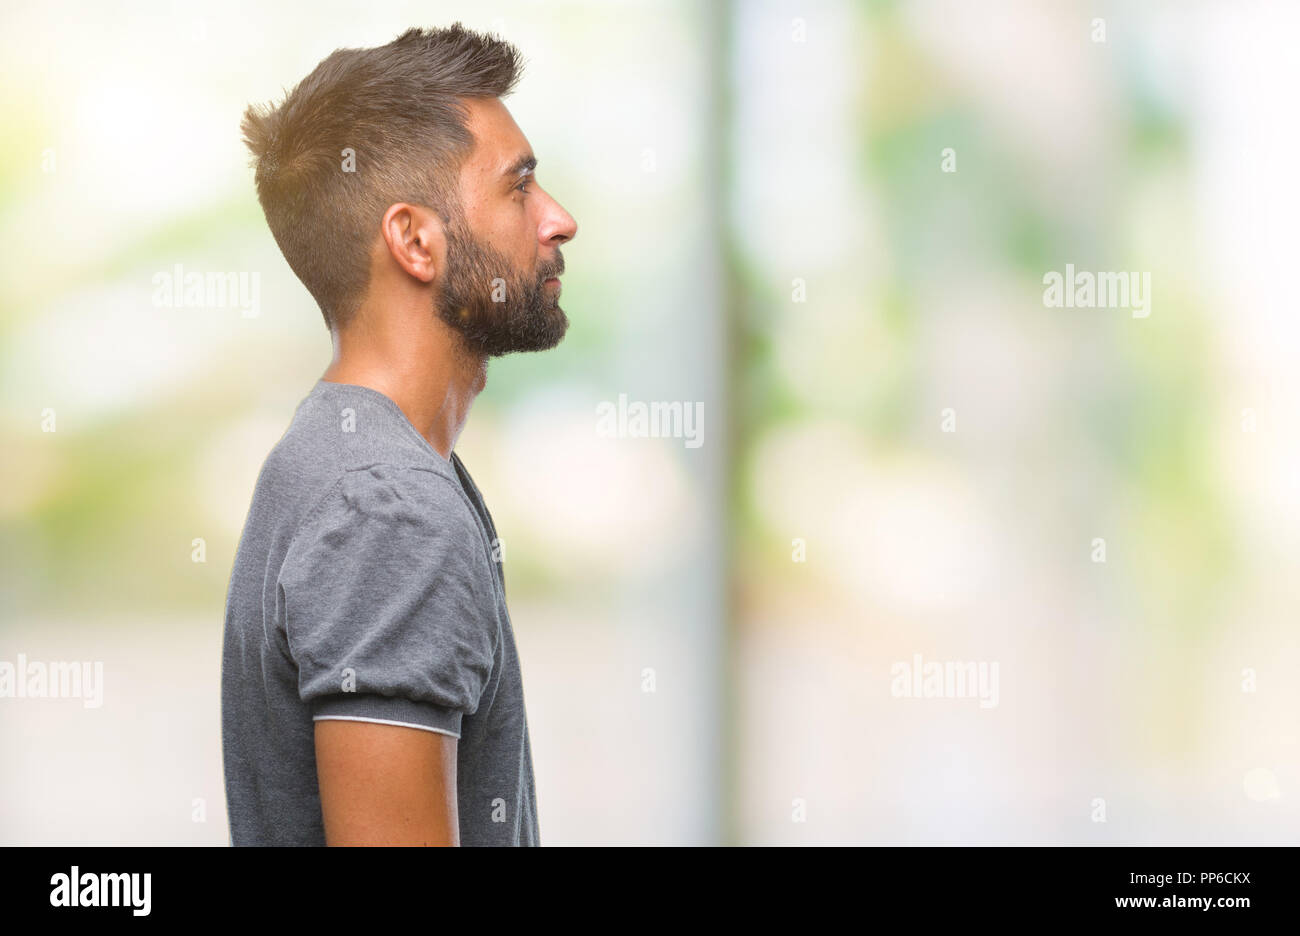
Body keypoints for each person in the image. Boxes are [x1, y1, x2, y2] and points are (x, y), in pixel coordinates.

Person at [220, 22, 577, 846]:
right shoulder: (389, 509)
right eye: (519, 187)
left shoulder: (340, 461)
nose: (559, 221)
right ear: (416, 240)